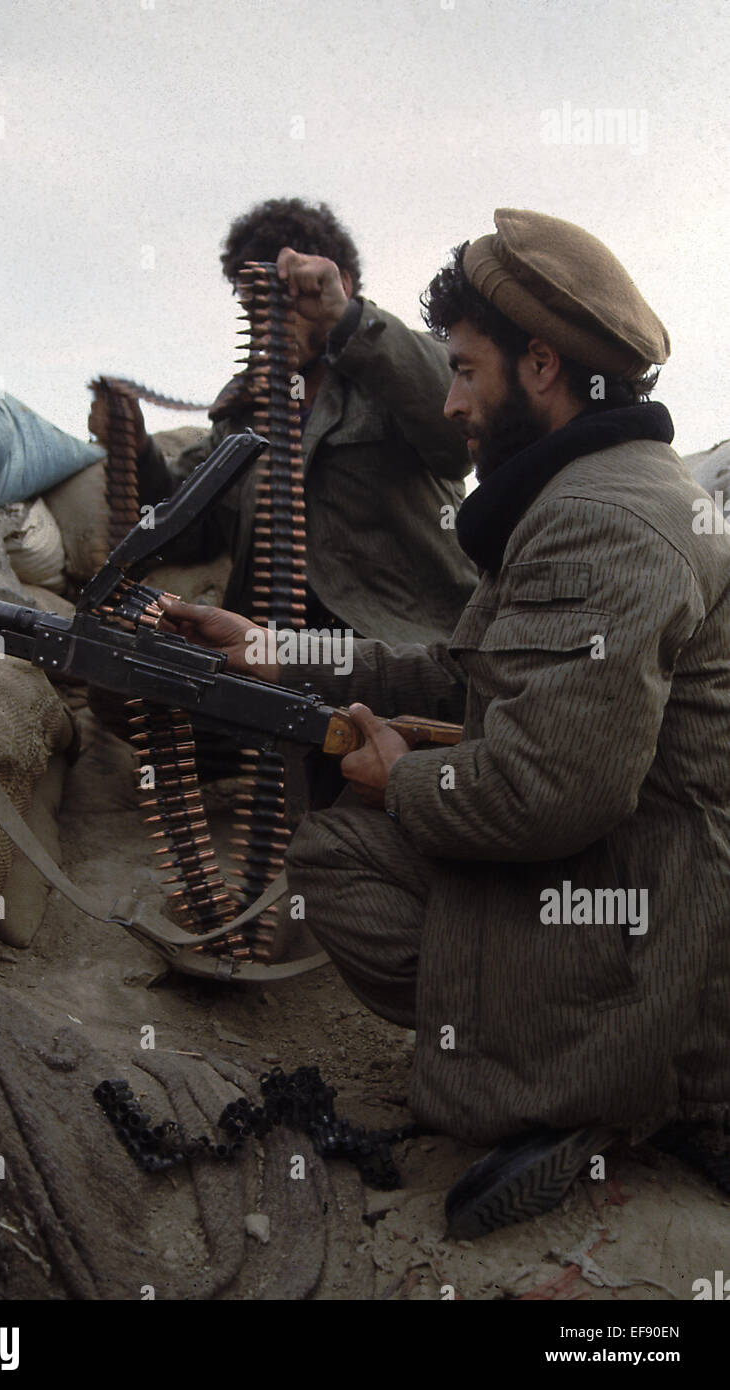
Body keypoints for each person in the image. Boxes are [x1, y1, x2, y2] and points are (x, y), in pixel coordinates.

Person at [159, 208, 730, 1237]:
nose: (455, 401)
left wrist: (400, 780)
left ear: (543, 367)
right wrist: (279, 649)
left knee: (345, 848)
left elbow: (545, 790)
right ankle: (565, 1051)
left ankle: (605, 1083)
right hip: (642, 870)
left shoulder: (601, 519)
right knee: (344, 852)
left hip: (657, 917)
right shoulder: (589, 491)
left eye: (467, 371)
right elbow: (455, 673)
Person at [90, 197, 477, 646]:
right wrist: (134, 445)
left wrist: (348, 320)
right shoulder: (243, 416)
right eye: (252, 309)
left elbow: (455, 435)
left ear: (338, 285)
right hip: (267, 657)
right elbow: (182, 531)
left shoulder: (392, 369)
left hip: (399, 652)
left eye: (280, 304)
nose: (263, 326)